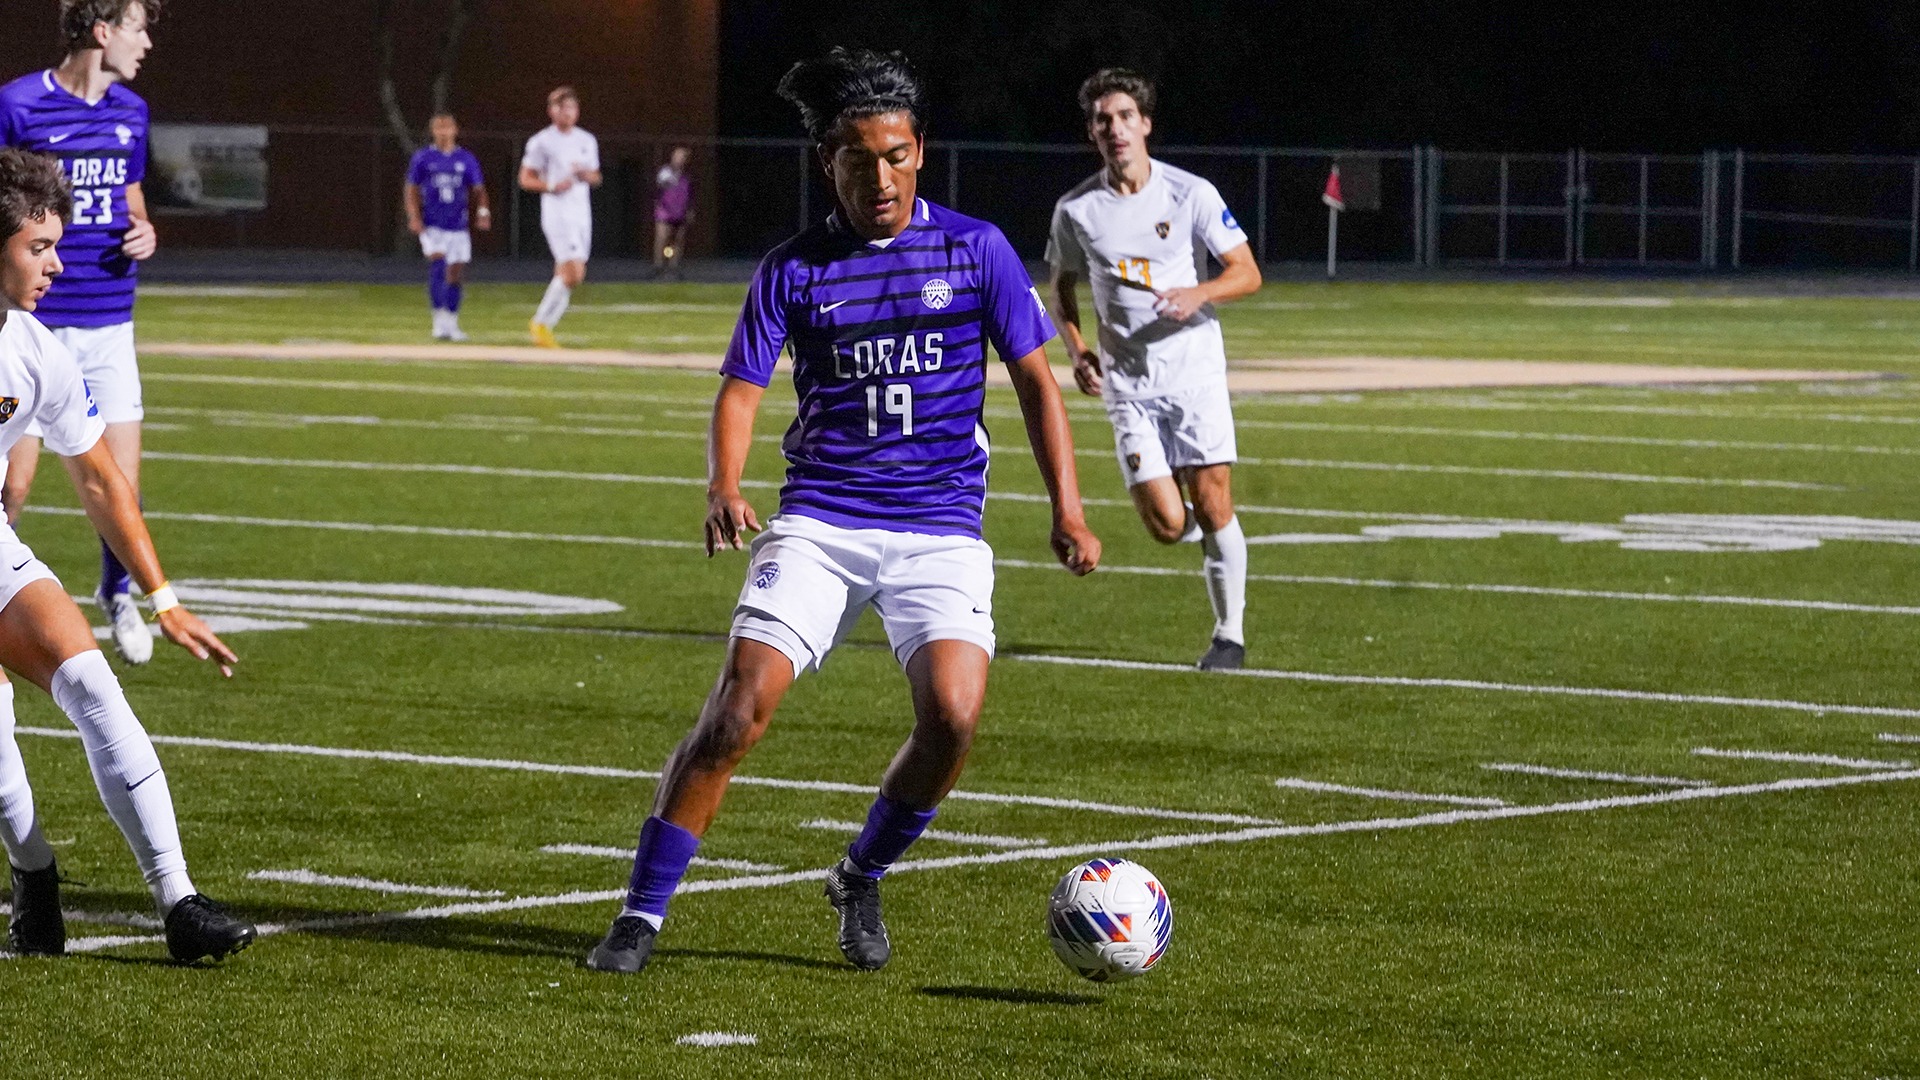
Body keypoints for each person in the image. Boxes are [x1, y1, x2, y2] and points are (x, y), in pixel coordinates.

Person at [583, 48, 1101, 975]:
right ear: (829, 160)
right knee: (738, 713)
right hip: (821, 522)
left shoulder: (976, 249)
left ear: (921, 152)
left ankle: (860, 874)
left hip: (940, 528)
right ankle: (640, 914)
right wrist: (725, 485)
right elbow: (741, 388)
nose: (881, 176)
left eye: (897, 155)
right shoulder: (793, 268)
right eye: (860, 158)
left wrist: (1068, 507)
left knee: (953, 714)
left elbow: (1035, 382)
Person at [0, 147, 253, 962]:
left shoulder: (37, 351)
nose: (56, 264)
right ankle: (36, 875)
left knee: (95, 686)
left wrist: (165, 599)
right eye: (39, 246)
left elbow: (104, 481)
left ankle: (179, 904)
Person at [1046, 68, 1262, 671]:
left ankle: (1229, 637)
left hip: (1194, 373)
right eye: (1102, 120)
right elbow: (1059, 287)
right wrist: (1077, 349)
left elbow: (1246, 271)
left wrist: (1199, 293)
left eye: (1123, 117)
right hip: (1128, 385)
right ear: (1093, 133)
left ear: (1145, 124)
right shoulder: (1077, 210)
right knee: (1169, 524)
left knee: (1214, 500)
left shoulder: (1190, 193)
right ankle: (1205, 537)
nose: (1114, 128)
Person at [0, 0, 165, 666]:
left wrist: (146, 230)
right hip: (34, 329)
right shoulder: (19, 104)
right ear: (102, 32)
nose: (147, 42)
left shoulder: (132, 112)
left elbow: (130, 196)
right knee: (13, 483)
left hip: (110, 319)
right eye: (138, 26)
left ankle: (117, 592)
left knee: (117, 484)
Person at [518, 86, 599, 348]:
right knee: (573, 273)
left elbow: (596, 177)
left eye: (571, 108)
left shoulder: (587, 140)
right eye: (562, 108)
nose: (567, 113)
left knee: (570, 273)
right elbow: (525, 178)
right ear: (551, 111)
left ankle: (543, 330)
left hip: (581, 212)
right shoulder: (541, 141)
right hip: (558, 212)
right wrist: (552, 186)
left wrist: (585, 175)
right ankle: (541, 323)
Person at [404, 112, 490, 342]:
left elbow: (478, 189)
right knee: (438, 262)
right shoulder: (423, 157)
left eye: (447, 127)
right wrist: (414, 216)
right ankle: (438, 321)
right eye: (439, 128)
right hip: (432, 224)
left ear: (455, 130)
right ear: (433, 131)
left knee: (456, 273)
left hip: (457, 225)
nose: (443, 132)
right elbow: (411, 189)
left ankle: (452, 322)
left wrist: (483, 211)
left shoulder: (466, 158)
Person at [651, 145, 692, 278]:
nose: (678, 159)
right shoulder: (665, 172)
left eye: (681, 157)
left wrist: (689, 210)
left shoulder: (686, 176)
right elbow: (658, 188)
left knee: (678, 240)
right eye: (676, 156)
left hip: (680, 211)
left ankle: (673, 267)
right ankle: (658, 267)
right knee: (661, 238)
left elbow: (689, 194)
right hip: (665, 211)